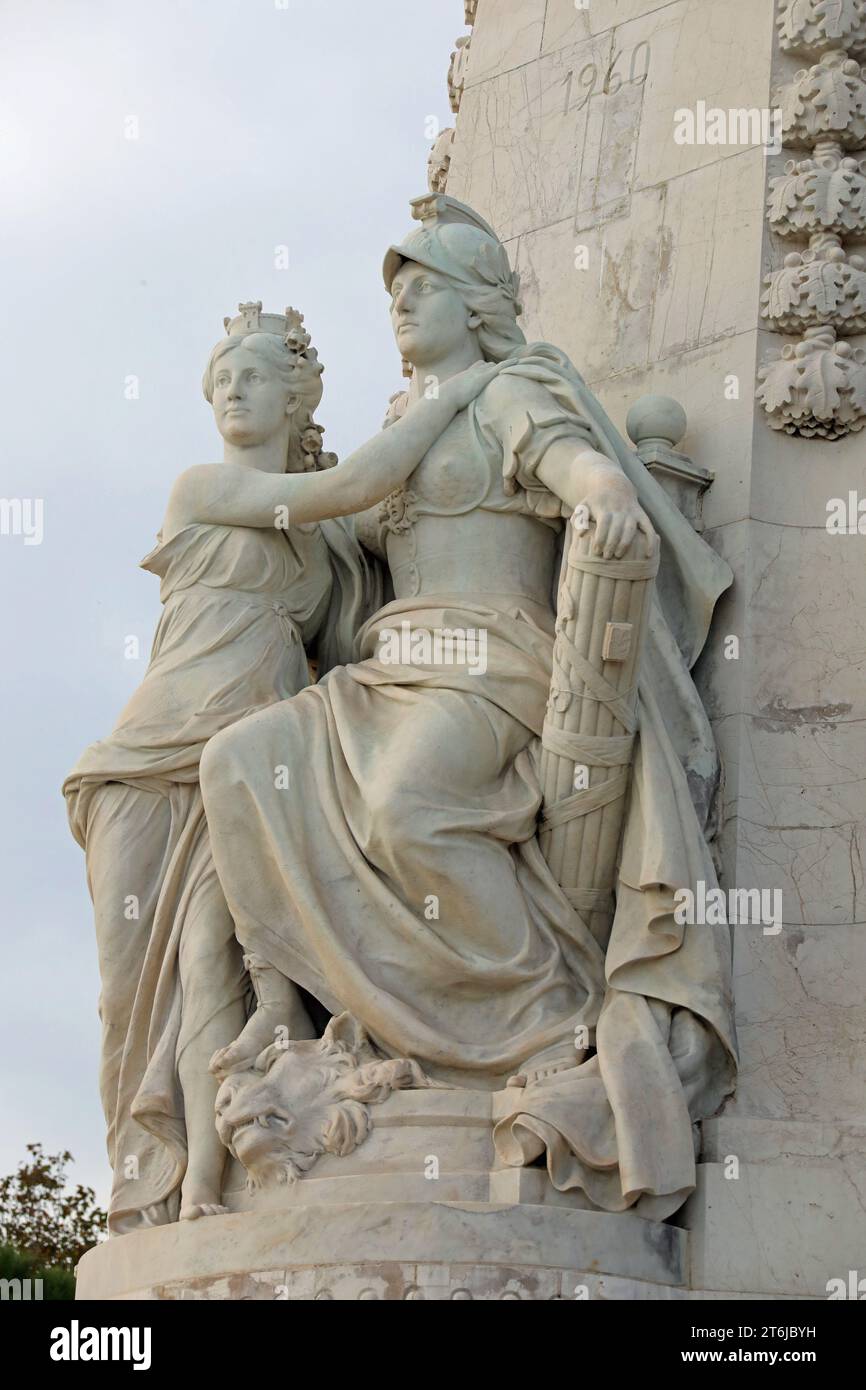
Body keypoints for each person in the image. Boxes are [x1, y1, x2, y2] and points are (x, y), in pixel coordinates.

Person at [197, 198, 738, 1219]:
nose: (401, 302)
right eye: (395, 291)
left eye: (424, 286)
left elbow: (573, 464)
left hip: (494, 663)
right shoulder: (399, 425)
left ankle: (536, 1018)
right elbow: (338, 552)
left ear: (477, 302)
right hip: (389, 668)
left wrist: (601, 491)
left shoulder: (510, 391)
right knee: (237, 757)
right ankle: (296, 998)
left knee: (405, 804)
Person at [64, 300, 495, 1230]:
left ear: (298, 397)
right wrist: (461, 388)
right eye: (220, 378)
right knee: (130, 996)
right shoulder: (202, 490)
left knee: (214, 970)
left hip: (252, 771)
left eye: (251, 375)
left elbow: (364, 624)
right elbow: (350, 487)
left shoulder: (331, 543)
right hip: (147, 764)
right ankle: (140, 1192)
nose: (231, 390)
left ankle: (206, 1192)